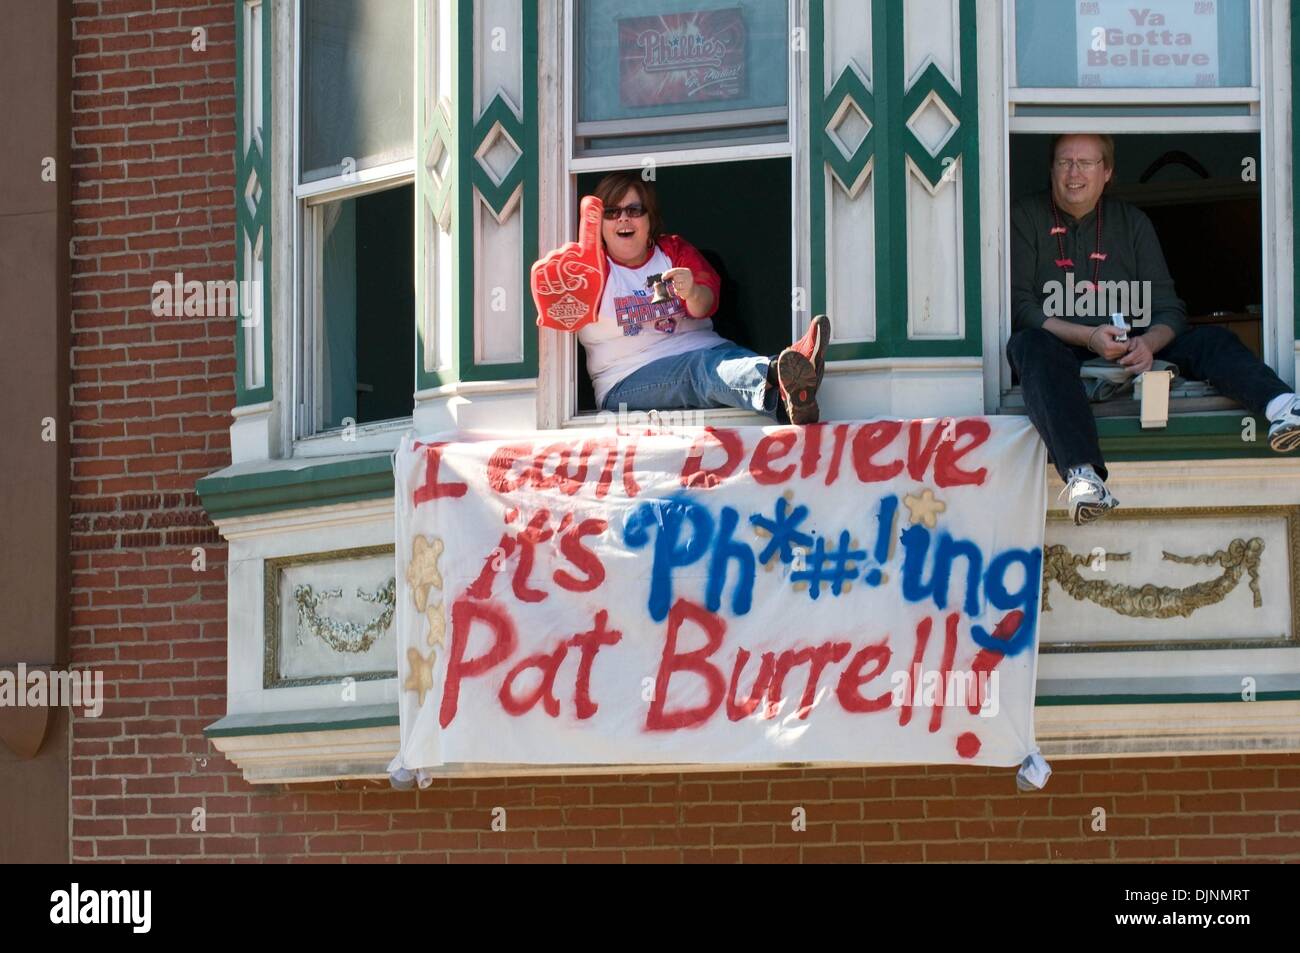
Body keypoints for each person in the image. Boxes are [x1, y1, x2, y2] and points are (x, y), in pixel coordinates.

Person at [1009, 133, 1300, 525]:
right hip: (1062, 350)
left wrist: (1148, 342)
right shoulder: (1025, 215)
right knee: (1030, 344)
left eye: (1086, 163)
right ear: (1051, 169)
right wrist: (1089, 337)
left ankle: (1282, 407)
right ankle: (1083, 476)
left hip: (1132, 351)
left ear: (1107, 172)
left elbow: (1170, 310)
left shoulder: (1131, 222)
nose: (1074, 173)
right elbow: (1022, 309)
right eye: (1064, 162)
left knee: (1211, 340)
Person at [577, 171, 829, 424]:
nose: (623, 218)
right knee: (698, 369)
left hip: (711, 352)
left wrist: (692, 292)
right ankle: (782, 371)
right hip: (626, 377)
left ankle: (790, 402)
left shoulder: (673, 250)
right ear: (599, 223)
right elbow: (559, 312)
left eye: (634, 210)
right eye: (611, 212)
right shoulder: (588, 268)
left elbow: (705, 306)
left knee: (729, 362)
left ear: (649, 219)